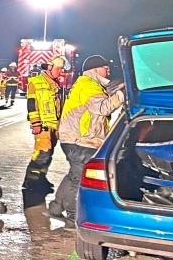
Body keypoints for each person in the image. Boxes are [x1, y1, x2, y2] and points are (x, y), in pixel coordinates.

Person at [46, 55, 125, 227]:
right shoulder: (88, 86)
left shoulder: (88, 84)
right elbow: (103, 107)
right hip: (81, 141)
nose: (108, 71)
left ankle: (56, 207)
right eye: (105, 68)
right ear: (95, 69)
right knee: (79, 180)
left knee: (74, 175)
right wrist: (122, 95)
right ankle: (73, 218)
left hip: (75, 139)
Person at [25, 55, 68, 181]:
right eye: (58, 69)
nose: (60, 72)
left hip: (55, 125)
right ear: (49, 68)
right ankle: (31, 181)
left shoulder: (55, 84)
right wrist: (35, 123)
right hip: (43, 125)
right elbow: (31, 104)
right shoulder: (36, 82)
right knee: (42, 153)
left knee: (48, 155)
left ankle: (41, 178)